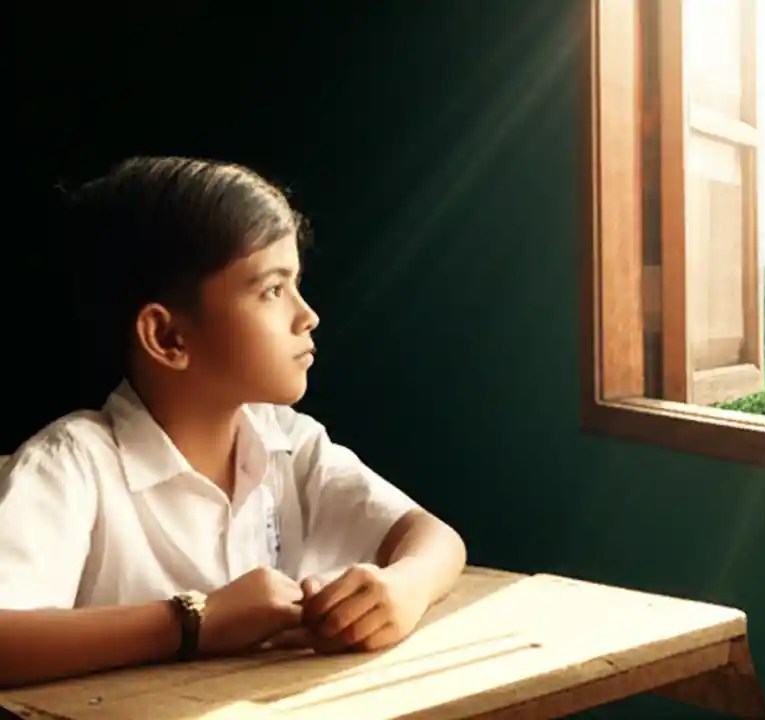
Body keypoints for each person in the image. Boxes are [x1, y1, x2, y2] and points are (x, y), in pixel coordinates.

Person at [0, 156, 466, 688]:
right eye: (272, 290)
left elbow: (434, 537)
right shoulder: (72, 464)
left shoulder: (289, 442)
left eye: (296, 284)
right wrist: (196, 621)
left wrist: (404, 589)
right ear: (168, 338)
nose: (306, 314)